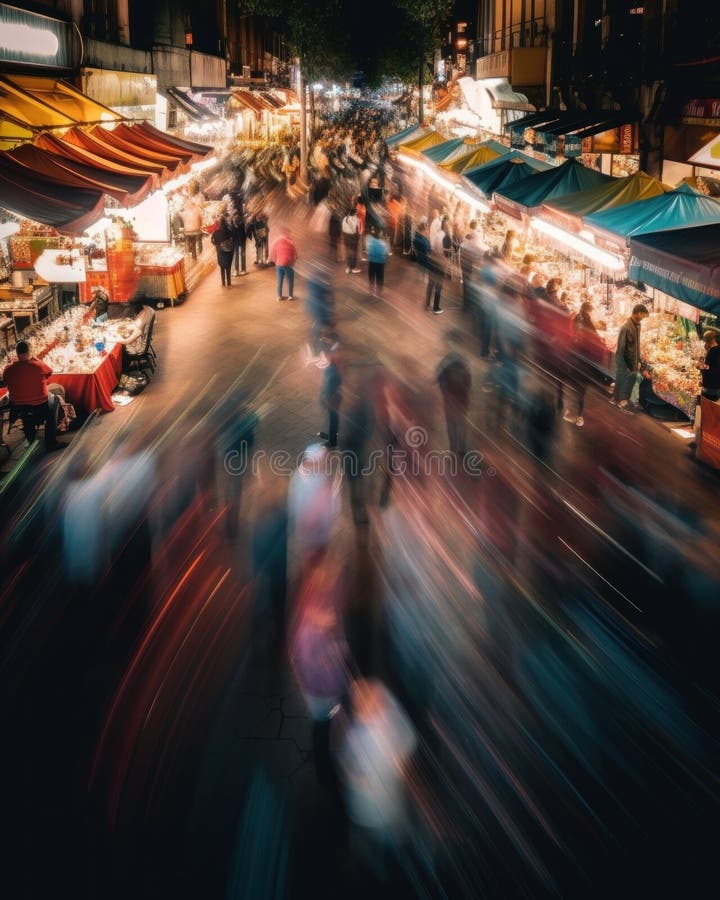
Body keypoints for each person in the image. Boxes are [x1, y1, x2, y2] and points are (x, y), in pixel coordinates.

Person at [1, 339, 65, 451]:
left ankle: (31, 441)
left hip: (18, 407)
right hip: (41, 405)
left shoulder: (8, 369)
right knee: (55, 400)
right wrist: (35, 359)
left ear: (17, 353)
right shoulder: (38, 366)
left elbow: (5, 380)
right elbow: (49, 371)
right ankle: (51, 442)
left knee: (26, 407)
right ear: (29, 352)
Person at [436, 338, 472, 457]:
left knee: (451, 424)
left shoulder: (445, 363)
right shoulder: (464, 363)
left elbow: (438, 379)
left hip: (449, 400)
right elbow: (468, 383)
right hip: (462, 400)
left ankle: (453, 448)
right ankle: (462, 448)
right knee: (461, 423)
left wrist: (444, 392)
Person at [611, 303, 649, 411]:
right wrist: (629, 364)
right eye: (643, 316)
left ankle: (617, 399)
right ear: (639, 313)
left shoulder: (637, 325)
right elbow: (622, 348)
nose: (643, 318)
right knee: (623, 379)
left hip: (631, 360)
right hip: (623, 360)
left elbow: (636, 345)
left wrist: (638, 360)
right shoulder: (627, 328)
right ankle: (621, 401)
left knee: (626, 380)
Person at [269, 228, 298, 302]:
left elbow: (272, 252)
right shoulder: (290, 242)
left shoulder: (277, 241)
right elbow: (295, 254)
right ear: (288, 233)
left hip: (279, 264)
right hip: (288, 264)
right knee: (290, 280)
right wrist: (292, 262)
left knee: (279, 280)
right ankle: (290, 296)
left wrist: (275, 261)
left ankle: (279, 296)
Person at [211, 210, 235, 287]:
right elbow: (233, 238)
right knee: (228, 267)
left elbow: (212, 240)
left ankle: (223, 282)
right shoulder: (229, 230)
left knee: (222, 267)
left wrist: (217, 245)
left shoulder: (216, 232)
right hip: (229, 252)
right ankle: (229, 282)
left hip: (220, 251)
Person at [365, 226, 389, 298]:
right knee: (380, 277)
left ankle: (371, 290)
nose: (382, 234)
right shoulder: (383, 243)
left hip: (371, 261)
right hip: (380, 263)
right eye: (381, 232)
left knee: (371, 276)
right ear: (379, 234)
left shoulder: (369, 240)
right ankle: (379, 292)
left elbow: (367, 250)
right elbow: (386, 252)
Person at [180, 194, 204, 261]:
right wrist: (200, 226)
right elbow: (201, 220)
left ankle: (190, 255)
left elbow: (182, 220)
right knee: (197, 241)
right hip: (196, 230)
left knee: (191, 243)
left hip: (187, 231)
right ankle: (199, 252)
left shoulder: (184, 213)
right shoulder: (197, 211)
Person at [341, 206, 361, 274]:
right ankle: (353, 268)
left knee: (348, 251)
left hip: (346, 236)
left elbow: (343, 228)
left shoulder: (344, 218)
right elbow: (358, 229)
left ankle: (348, 268)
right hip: (353, 237)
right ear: (354, 213)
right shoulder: (357, 219)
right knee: (354, 252)